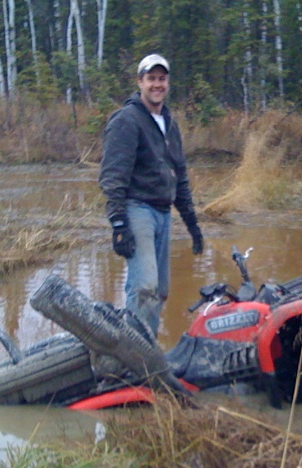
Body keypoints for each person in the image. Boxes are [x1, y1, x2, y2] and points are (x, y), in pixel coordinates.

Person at [99, 53, 204, 338]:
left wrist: (193, 225)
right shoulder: (127, 120)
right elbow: (112, 176)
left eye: (162, 79)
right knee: (144, 286)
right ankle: (134, 353)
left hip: (163, 212)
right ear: (140, 82)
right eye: (151, 79)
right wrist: (119, 224)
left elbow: (179, 177)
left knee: (161, 290)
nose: (157, 84)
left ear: (168, 83)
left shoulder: (169, 123)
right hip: (137, 209)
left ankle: (148, 346)